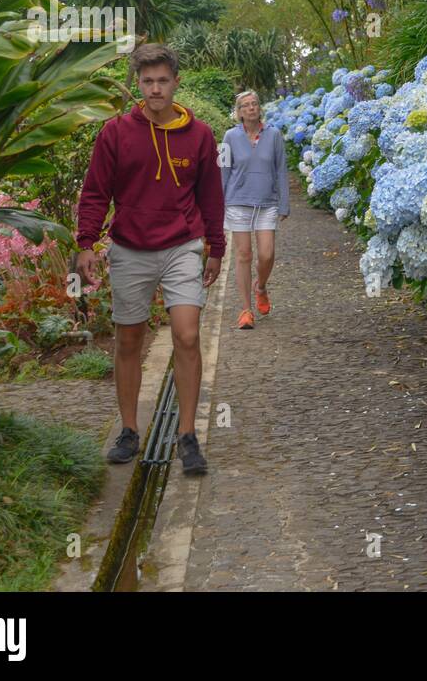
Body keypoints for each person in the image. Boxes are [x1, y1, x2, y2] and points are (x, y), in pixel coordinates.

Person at [74, 44, 225, 475]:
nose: (156, 89)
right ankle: (128, 431)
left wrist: (215, 246)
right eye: (147, 82)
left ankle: (188, 435)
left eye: (163, 81)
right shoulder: (116, 133)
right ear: (138, 85)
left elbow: (211, 196)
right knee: (127, 340)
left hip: (182, 245)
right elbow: (95, 191)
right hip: (129, 248)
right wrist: (86, 241)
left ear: (177, 83)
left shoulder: (199, 135)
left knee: (188, 334)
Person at [220, 90, 290, 330]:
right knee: (243, 255)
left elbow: (281, 170)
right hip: (237, 202)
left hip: (267, 203)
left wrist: (284, 203)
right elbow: (223, 172)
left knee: (267, 254)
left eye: (254, 104)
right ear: (239, 112)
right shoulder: (228, 137)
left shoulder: (274, 135)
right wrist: (218, 206)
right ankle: (245, 310)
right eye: (246, 105)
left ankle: (260, 286)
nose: (251, 108)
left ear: (260, 108)